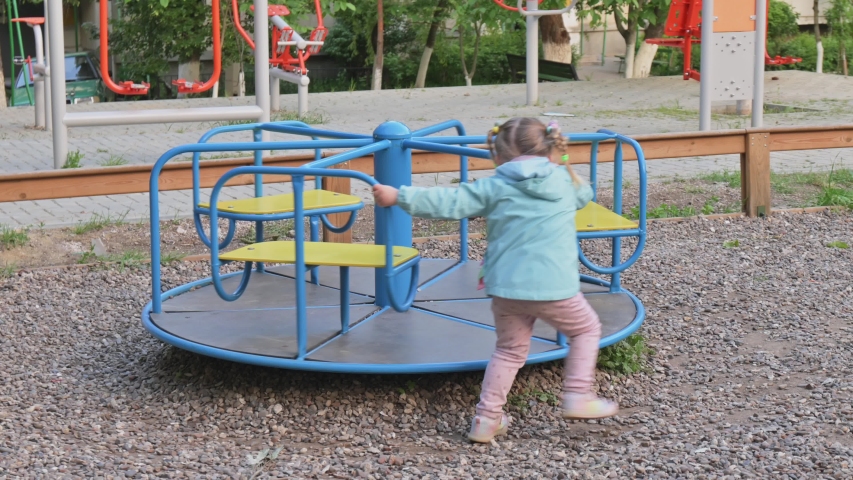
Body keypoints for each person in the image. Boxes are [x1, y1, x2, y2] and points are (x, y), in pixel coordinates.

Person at [372, 117, 618, 444]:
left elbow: (447, 202)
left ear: (499, 156)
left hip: (505, 288)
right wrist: (563, 159)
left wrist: (397, 195)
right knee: (585, 329)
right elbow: (585, 193)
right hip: (553, 287)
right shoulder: (563, 182)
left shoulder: (494, 188)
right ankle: (577, 394)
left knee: (509, 351)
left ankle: (486, 419)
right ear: (550, 148)